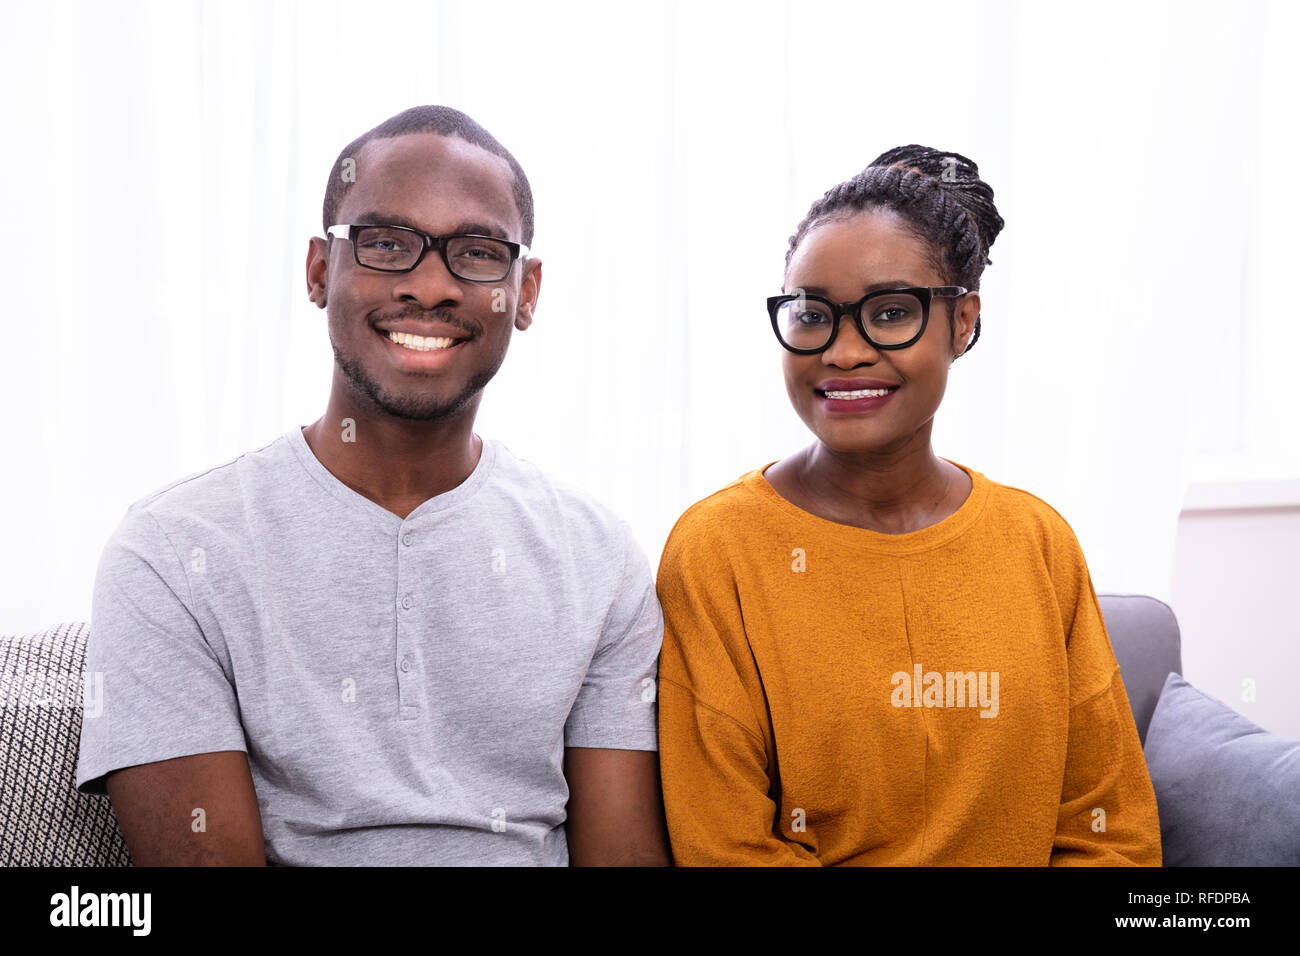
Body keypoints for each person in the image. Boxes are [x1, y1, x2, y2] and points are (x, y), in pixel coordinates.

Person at [75, 105, 670, 866]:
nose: (431, 286)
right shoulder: (171, 551)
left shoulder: (600, 558)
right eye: (386, 244)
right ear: (321, 271)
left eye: (479, 251)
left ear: (526, 292)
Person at [655, 146, 1162, 866]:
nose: (845, 351)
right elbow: (725, 845)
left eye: (891, 312)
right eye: (812, 314)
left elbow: (1109, 831)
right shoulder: (717, 550)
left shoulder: (1038, 542)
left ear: (962, 323)